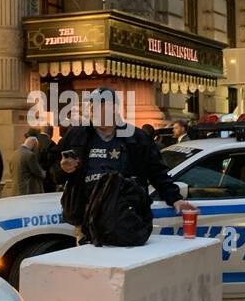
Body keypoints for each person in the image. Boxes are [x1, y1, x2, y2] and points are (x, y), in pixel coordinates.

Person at [57, 88, 195, 243]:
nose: (96, 112)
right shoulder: (77, 135)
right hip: (87, 219)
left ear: (115, 109)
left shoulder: (136, 138)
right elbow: (55, 172)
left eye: (102, 107)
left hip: (127, 217)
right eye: (93, 108)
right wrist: (65, 169)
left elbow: (156, 170)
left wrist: (174, 198)